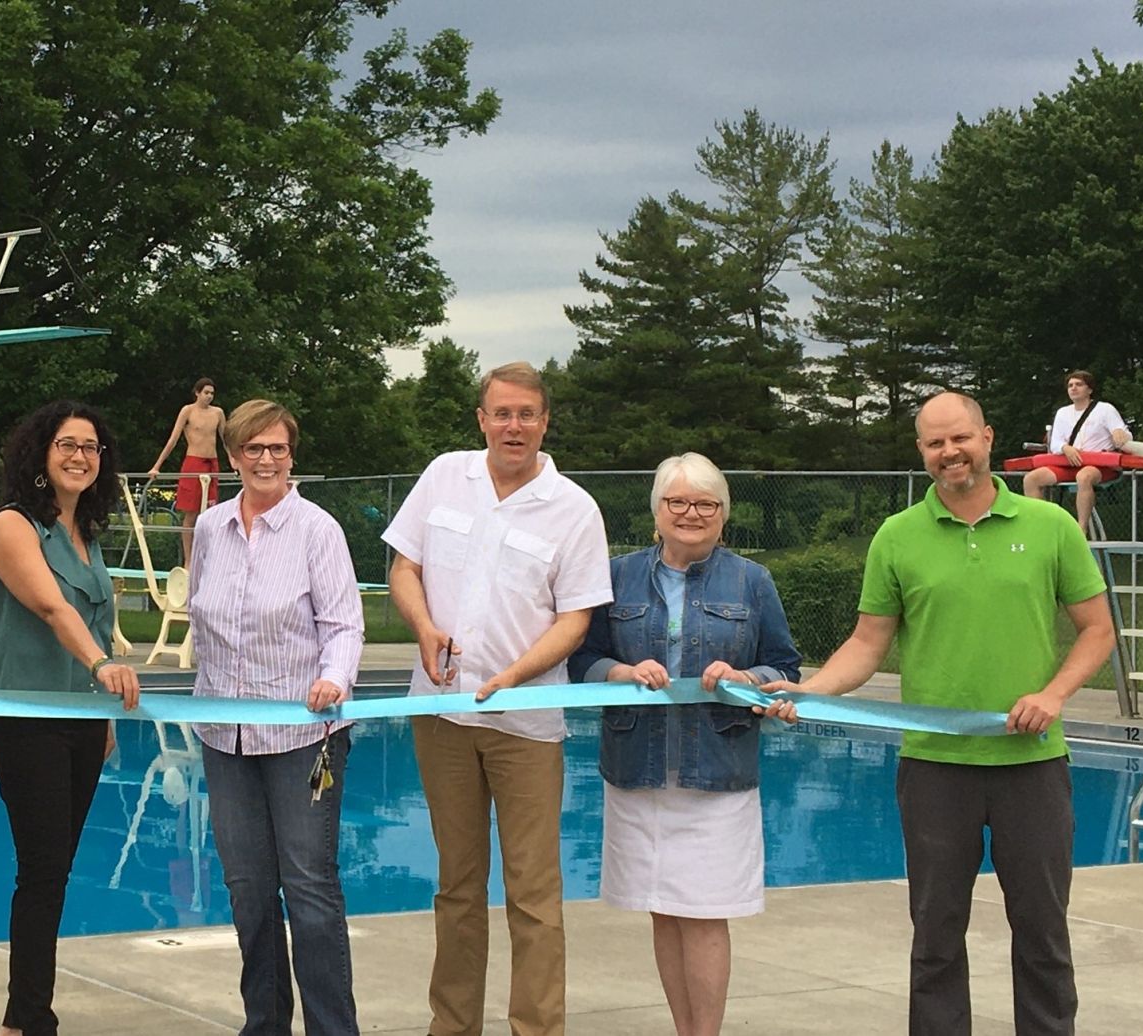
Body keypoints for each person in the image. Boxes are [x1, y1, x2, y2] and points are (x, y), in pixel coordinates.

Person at [768, 392, 1114, 1035]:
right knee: (935, 937)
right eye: (934, 443)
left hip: (1032, 764)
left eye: (959, 438)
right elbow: (868, 643)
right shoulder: (897, 537)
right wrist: (810, 690)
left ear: (986, 437)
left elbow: (1097, 631)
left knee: (1042, 934)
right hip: (933, 767)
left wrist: (1054, 695)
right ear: (922, 452)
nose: (949, 452)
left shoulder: (1050, 527)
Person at [382, 360, 612, 1036]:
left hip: (526, 722)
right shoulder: (444, 475)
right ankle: (452, 1027)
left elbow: (576, 619)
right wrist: (422, 627)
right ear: (482, 419)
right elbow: (404, 567)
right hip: (439, 712)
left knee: (534, 895)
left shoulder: (574, 509)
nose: (514, 426)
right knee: (457, 887)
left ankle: (536, 1029)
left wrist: (516, 673)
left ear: (545, 422)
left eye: (526, 414)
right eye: (501, 413)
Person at [567, 453, 801, 1036]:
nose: (690, 513)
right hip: (636, 769)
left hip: (716, 774)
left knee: (703, 915)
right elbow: (582, 660)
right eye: (678, 502)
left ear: (723, 515)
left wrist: (749, 680)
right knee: (663, 912)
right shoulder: (616, 575)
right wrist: (620, 674)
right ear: (657, 511)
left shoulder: (752, 579)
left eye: (705, 504)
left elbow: (784, 667)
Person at [188, 399, 364, 1035]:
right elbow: (201, 615)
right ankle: (263, 1025)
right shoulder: (209, 529)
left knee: (310, 890)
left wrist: (331, 678)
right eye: (253, 449)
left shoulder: (319, 530)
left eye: (278, 449)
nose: (266, 460)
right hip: (224, 737)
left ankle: (332, 1029)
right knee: (248, 891)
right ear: (233, 456)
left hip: (301, 738)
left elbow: (344, 625)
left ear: (292, 455)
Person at [0, 399, 143, 1036]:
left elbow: (96, 616)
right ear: (42, 455)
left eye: (91, 448)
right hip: (26, 715)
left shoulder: (88, 535)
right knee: (42, 867)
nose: (80, 456)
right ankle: (26, 1020)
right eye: (68, 445)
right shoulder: (13, 525)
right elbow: (51, 608)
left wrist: (102, 717)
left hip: (79, 719)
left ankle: (28, 1012)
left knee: (56, 869)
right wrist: (103, 666)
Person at [1021, 369, 1131, 535]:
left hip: (1100, 466)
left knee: (1084, 476)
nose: (1073, 388)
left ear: (1090, 389)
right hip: (1069, 463)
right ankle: (1041, 527)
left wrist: (1119, 434)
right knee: (1031, 479)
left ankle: (1081, 528)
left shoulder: (1105, 409)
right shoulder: (1062, 413)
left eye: (1079, 384)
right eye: (1070, 385)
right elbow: (1056, 443)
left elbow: (1123, 433)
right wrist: (1066, 448)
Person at [146, 378, 225, 563]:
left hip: (212, 463)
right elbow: (173, 440)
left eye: (212, 393)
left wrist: (235, 460)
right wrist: (157, 466)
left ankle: (208, 559)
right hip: (193, 462)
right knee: (191, 513)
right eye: (206, 393)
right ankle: (189, 560)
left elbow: (225, 440)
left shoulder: (218, 413)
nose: (209, 397)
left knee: (211, 513)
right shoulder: (188, 411)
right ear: (197, 393)